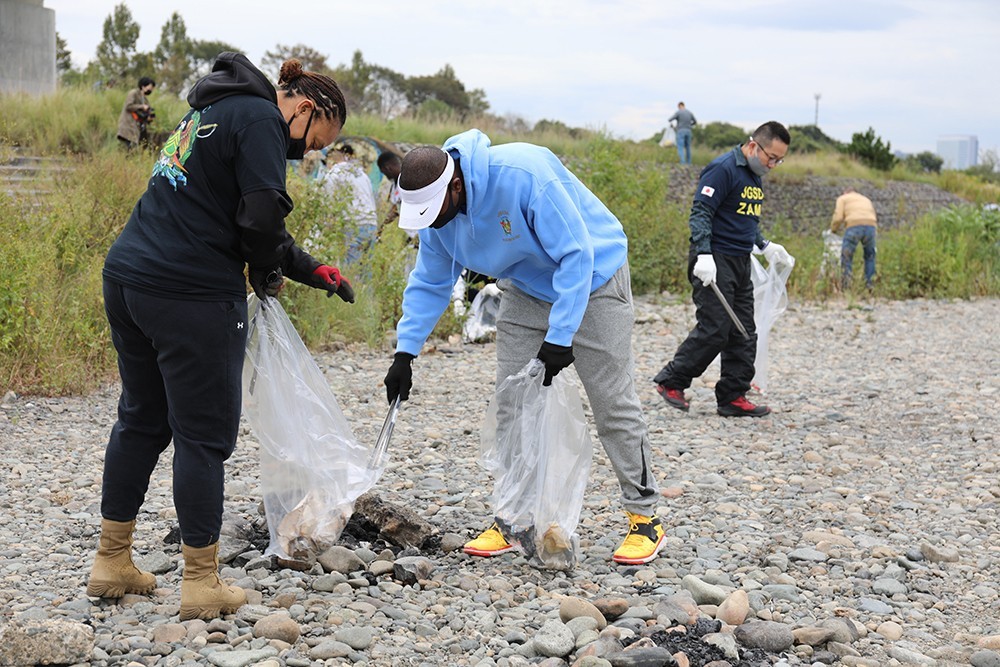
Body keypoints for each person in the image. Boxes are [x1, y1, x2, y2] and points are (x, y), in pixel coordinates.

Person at [88, 53, 354, 621]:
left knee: (141, 419)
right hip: (190, 294)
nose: (306, 153)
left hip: (130, 277)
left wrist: (308, 269)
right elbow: (259, 219)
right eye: (312, 142)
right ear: (303, 108)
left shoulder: (213, 109)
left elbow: (233, 214)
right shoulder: (261, 118)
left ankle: (112, 561)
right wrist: (265, 269)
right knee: (203, 436)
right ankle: (202, 582)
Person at [382, 129, 666, 565]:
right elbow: (431, 281)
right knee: (512, 402)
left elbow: (577, 254)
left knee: (611, 401)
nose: (431, 224)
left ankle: (644, 518)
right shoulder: (436, 216)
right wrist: (406, 352)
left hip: (594, 279)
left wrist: (560, 336)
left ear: (455, 186)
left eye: (433, 213)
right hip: (525, 289)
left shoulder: (523, 173)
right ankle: (513, 517)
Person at [653, 121, 795, 417]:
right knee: (716, 327)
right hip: (714, 260)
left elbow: (744, 218)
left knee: (744, 329)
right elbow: (702, 211)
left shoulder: (755, 175)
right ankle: (672, 380)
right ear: (754, 146)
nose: (774, 165)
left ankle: (733, 395)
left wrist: (764, 244)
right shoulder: (723, 169)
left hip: (741, 260)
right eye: (772, 157)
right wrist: (703, 254)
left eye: (780, 160)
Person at [320, 146, 378, 264]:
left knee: (350, 268)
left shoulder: (333, 175)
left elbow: (329, 206)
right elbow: (372, 200)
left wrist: (326, 231)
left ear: (330, 161)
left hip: (353, 226)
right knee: (366, 269)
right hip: (371, 225)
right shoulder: (362, 174)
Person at [831, 186, 877, 290]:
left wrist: (833, 230)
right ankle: (869, 284)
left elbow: (838, 218)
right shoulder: (866, 199)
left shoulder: (843, 198)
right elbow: (873, 214)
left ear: (845, 192)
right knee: (870, 256)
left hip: (854, 226)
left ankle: (846, 286)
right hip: (871, 226)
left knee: (847, 256)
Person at [117, 76, 155, 150]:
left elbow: (144, 114)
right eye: (150, 87)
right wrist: (141, 107)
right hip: (128, 126)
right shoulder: (133, 93)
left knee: (134, 150)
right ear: (143, 86)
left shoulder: (145, 100)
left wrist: (148, 118)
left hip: (137, 129)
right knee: (127, 150)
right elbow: (128, 106)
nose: (150, 90)